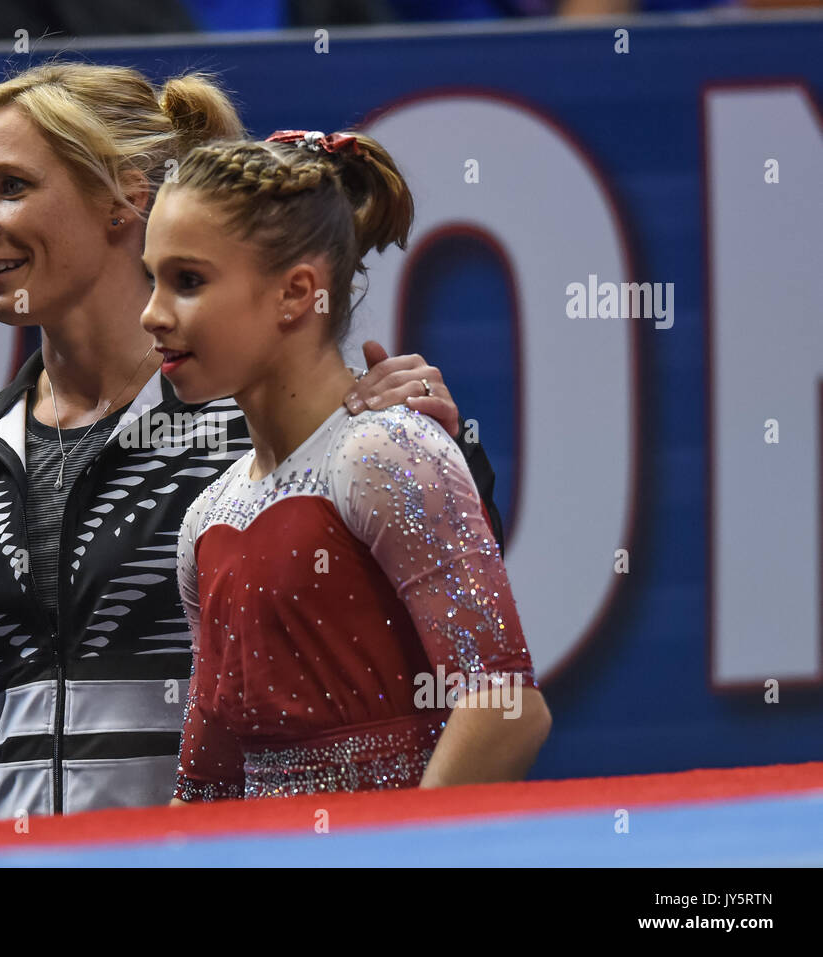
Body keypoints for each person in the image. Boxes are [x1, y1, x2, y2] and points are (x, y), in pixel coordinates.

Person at [0, 62, 507, 824]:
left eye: (10, 186)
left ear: (125, 197)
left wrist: (450, 459)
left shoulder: (276, 422)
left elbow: (467, 658)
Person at [139, 129, 550, 803]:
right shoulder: (207, 516)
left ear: (297, 293)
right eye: (151, 279)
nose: (152, 313)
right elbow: (209, 780)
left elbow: (508, 710)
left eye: (187, 281)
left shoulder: (385, 452)